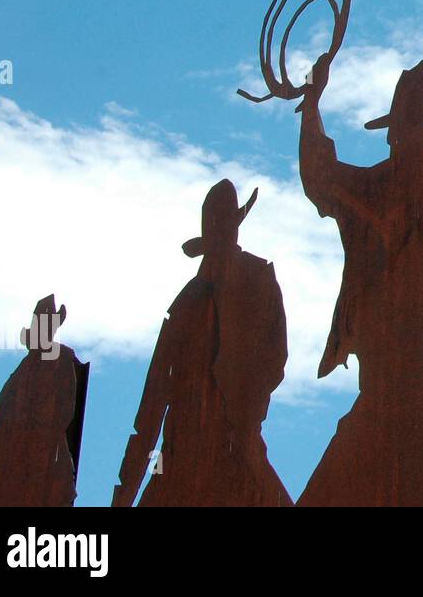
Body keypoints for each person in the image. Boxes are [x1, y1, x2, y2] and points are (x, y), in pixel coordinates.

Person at [296, 53, 423, 506]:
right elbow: (321, 178)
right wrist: (312, 106)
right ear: (395, 129)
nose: (419, 127)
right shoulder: (374, 184)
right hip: (380, 365)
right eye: (411, 117)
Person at [113, 180, 290, 507]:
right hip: (180, 450)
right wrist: (124, 493)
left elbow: (275, 358)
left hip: (234, 441)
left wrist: (246, 409)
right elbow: (153, 402)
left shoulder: (257, 278)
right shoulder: (186, 303)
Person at [0, 295, 86, 507]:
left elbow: (65, 413)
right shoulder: (17, 379)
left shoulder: (63, 362)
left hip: (44, 464)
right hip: (11, 472)